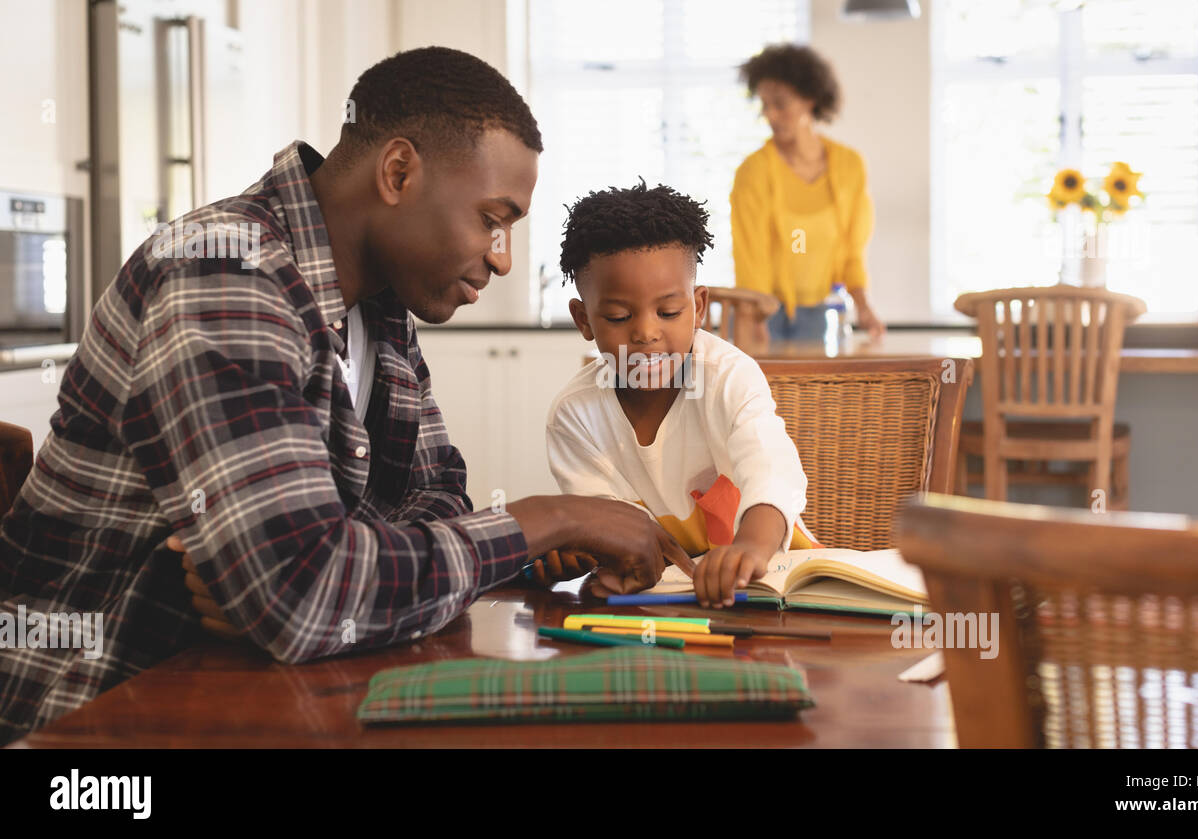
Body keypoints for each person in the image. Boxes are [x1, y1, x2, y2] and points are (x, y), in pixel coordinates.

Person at [0, 47, 682, 745]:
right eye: (491, 218)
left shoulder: (378, 305)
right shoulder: (223, 274)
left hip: (254, 689)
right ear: (398, 173)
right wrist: (552, 518)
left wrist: (327, 570)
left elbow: (437, 493)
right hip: (101, 715)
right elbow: (306, 595)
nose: (503, 255)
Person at [546, 180, 819, 610]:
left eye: (669, 312)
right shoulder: (575, 416)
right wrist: (585, 554)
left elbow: (773, 470)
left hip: (779, 594)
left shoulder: (728, 377)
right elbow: (605, 526)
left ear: (698, 307)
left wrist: (749, 547)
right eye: (618, 316)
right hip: (663, 607)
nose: (646, 333)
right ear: (583, 319)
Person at [730, 43, 886, 344]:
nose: (771, 115)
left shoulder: (849, 167)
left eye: (781, 103)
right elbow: (750, 257)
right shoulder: (753, 172)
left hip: (824, 313)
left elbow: (852, 250)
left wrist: (863, 306)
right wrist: (756, 316)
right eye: (764, 105)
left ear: (810, 99)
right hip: (765, 313)